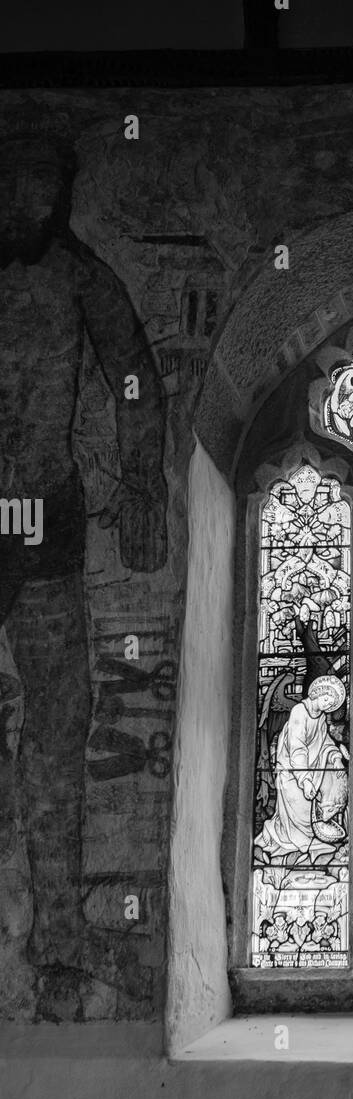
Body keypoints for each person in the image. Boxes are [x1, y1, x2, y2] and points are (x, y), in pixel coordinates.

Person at [0, 120, 166, 978]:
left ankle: (57, 931)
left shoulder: (74, 278)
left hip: (40, 519)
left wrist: (145, 485)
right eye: (13, 180)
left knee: (62, 719)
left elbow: (133, 375)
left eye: (43, 185)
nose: (29, 201)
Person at [256, 675, 348, 860]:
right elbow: (297, 748)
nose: (327, 704)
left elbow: (324, 742)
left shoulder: (321, 717)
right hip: (291, 772)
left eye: (331, 702)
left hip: (309, 771)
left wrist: (335, 756)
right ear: (317, 694)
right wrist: (304, 780)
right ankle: (292, 844)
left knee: (312, 809)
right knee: (300, 809)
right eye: (326, 698)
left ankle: (301, 842)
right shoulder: (299, 711)